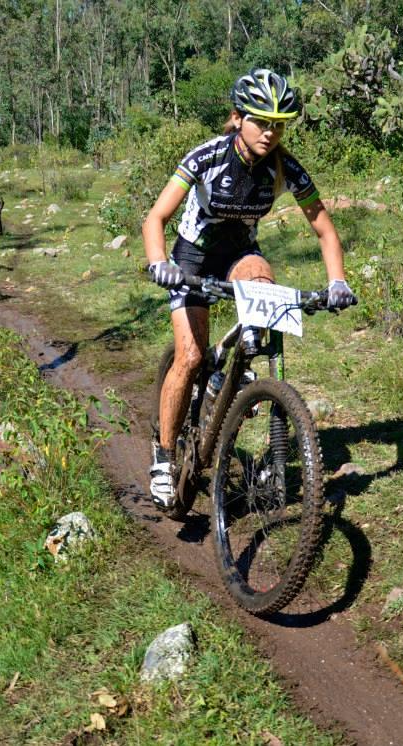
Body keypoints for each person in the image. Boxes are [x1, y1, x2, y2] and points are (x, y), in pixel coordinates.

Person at [142, 68, 357, 511]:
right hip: (192, 257)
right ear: (239, 118)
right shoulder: (207, 157)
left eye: (279, 125)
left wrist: (338, 282)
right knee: (190, 355)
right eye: (262, 121)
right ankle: (163, 457)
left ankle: (236, 374)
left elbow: (326, 232)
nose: (271, 133)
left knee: (262, 272)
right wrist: (159, 262)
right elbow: (155, 218)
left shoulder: (284, 167)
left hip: (240, 252)